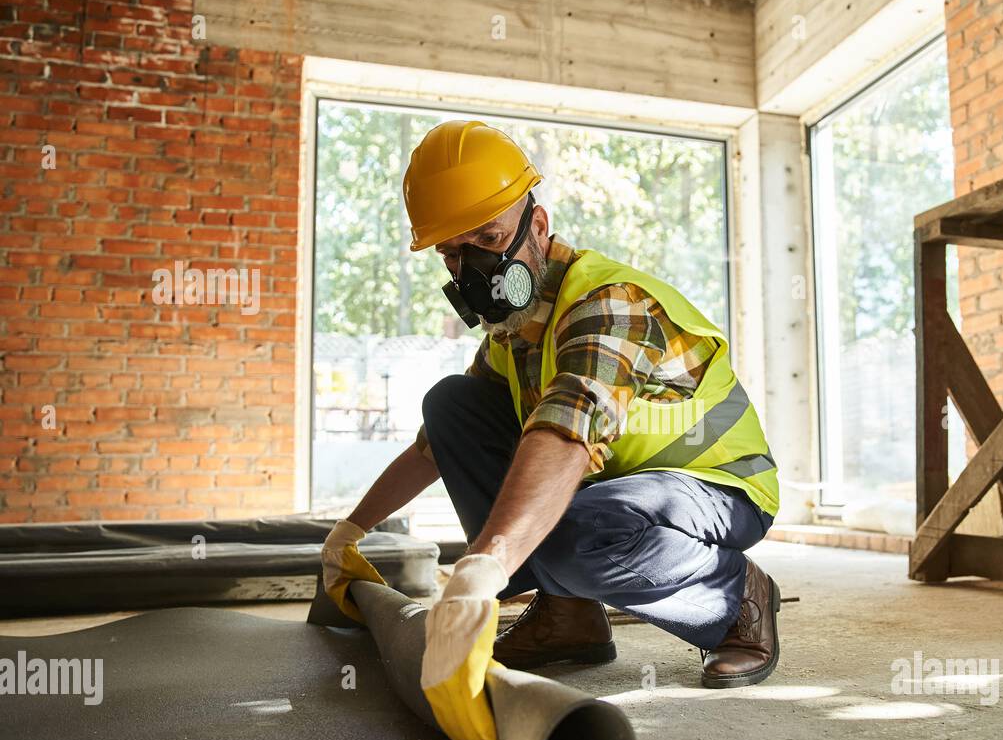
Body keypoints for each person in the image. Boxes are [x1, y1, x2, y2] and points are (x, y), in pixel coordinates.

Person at [322, 119, 781, 689]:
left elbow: (566, 435)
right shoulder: (513, 332)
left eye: (487, 241)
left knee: (572, 536)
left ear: (536, 225)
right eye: (452, 253)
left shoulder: (609, 306)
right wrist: (351, 531)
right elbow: (434, 446)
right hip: (615, 492)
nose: (473, 272)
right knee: (452, 404)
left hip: (714, 485)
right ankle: (570, 615)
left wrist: (485, 565)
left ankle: (736, 599)